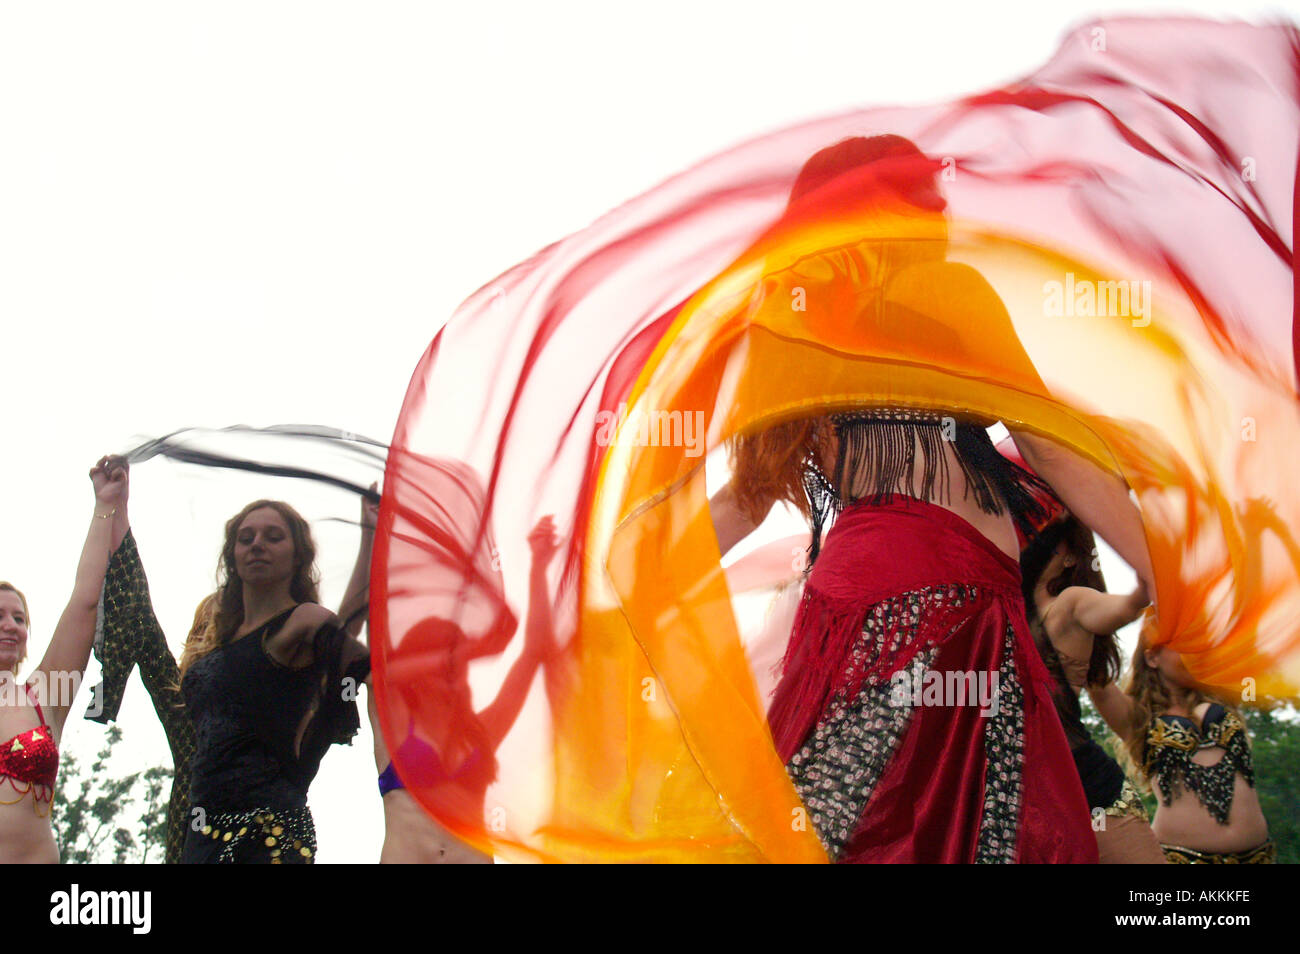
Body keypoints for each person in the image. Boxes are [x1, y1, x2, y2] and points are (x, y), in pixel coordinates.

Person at [710, 135, 1155, 862]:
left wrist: (619, 585)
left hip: (848, 609)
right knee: (978, 837)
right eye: (923, 193)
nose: (943, 206)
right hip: (940, 600)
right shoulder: (947, 290)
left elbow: (741, 503)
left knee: (846, 833)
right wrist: (1160, 566)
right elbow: (1048, 445)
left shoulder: (787, 329)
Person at [90, 467, 370, 863]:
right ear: (232, 557)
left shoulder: (302, 624)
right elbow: (143, 624)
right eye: (246, 538)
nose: (257, 545)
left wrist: (371, 539)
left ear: (297, 556)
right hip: (200, 836)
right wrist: (113, 509)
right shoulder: (204, 672)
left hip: (268, 834)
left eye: (274, 537)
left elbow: (351, 649)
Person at [371, 514, 560, 863]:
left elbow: (534, 652)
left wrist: (538, 565)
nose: (455, 666)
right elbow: (379, 661)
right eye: (442, 656)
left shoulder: (480, 732)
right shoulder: (394, 721)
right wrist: (376, 539)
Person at [1, 455, 127, 863]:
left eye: (19, 618)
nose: (10, 626)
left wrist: (104, 506)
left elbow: (84, 602)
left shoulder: (43, 695)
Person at [1019, 514, 1165, 863]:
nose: (1036, 542)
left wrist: (1141, 590)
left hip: (1082, 783)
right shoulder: (1005, 610)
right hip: (1017, 786)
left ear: (1070, 555)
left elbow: (1122, 608)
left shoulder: (1071, 603)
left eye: (1049, 536)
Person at [1090, 627, 1273, 863]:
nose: (1192, 652)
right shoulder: (1137, 717)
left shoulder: (1222, 695)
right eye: (1180, 645)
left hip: (1258, 857)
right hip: (1182, 858)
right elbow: (1097, 683)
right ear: (1152, 658)